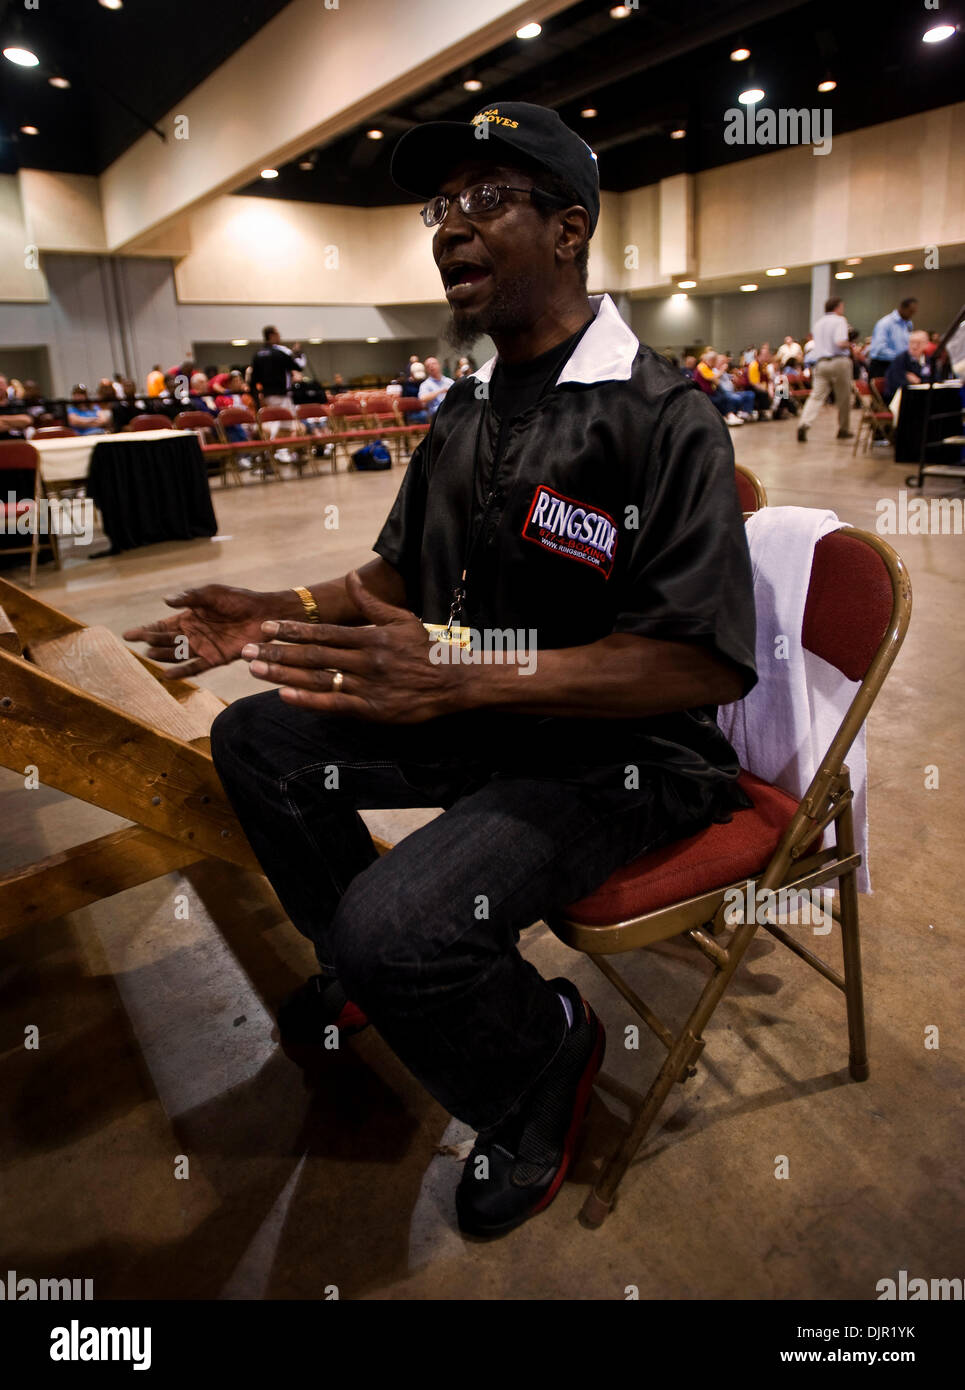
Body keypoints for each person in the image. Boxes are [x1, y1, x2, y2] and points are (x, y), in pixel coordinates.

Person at [125, 100, 756, 1240]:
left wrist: (467, 677)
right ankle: (365, 974)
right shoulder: (465, 404)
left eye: (484, 201)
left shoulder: (664, 416)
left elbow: (697, 662)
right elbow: (400, 573)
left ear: (568, 229)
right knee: (257, 743)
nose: (449, 230)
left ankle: (539, 1062)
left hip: (624, 754)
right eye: (439, 208)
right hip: (481, 701)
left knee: (398, 920)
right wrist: (276, 608)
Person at [796, 296, 854, 443]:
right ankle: (843, 429)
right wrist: (850, 344)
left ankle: (804, 423)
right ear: (838, 307)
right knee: (844, 398)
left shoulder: (818, 323)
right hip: (838, 361)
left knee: (816, 396)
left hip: (820, 363)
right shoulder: (840, 320)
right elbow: (840, 342)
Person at [868, 298, 917, 379]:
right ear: (902, 308)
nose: (912, 315)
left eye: (914, 312)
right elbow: (879, 350)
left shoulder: (909, 324)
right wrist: (900, 358)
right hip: (883, 365)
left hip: (900, 365)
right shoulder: (885, 323)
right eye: (910, 311)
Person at [250, 326, 295, 409]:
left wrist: (257, 398)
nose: (280, 336)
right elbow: (297, 366)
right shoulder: (281, 352)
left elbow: (253, 380)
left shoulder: (258, 354)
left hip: (267, 395)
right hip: (280, 395)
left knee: (275, 420)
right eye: (277, 333)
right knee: (282, 419)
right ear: (271, 335)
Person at [883, 329, 932, 403]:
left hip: (924, 396)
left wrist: (919, 381)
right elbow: (896, 383)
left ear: (926, 344)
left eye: (919, 343)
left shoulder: (928, 360)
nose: (914, 346)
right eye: (912, 342)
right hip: (902, 399)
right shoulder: (900, 360)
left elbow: (935, 379)